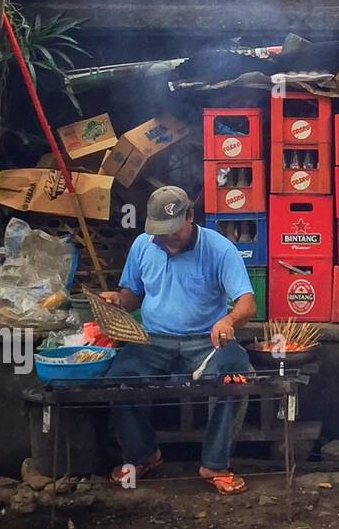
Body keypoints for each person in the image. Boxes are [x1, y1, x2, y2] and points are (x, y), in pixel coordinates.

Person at [101, 186, 256, 495]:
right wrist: (117, 301)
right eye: (159, 232)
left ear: (190, 216)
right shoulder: (143, 245)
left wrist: (228, 320)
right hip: (153, 340)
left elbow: (247, 303)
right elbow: (132, 296)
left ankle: (215, 463)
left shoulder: (220, 248)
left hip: (206, 342)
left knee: (236, 378)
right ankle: (143, 455)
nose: (165, 239)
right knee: (116, 379)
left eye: (172, 232)